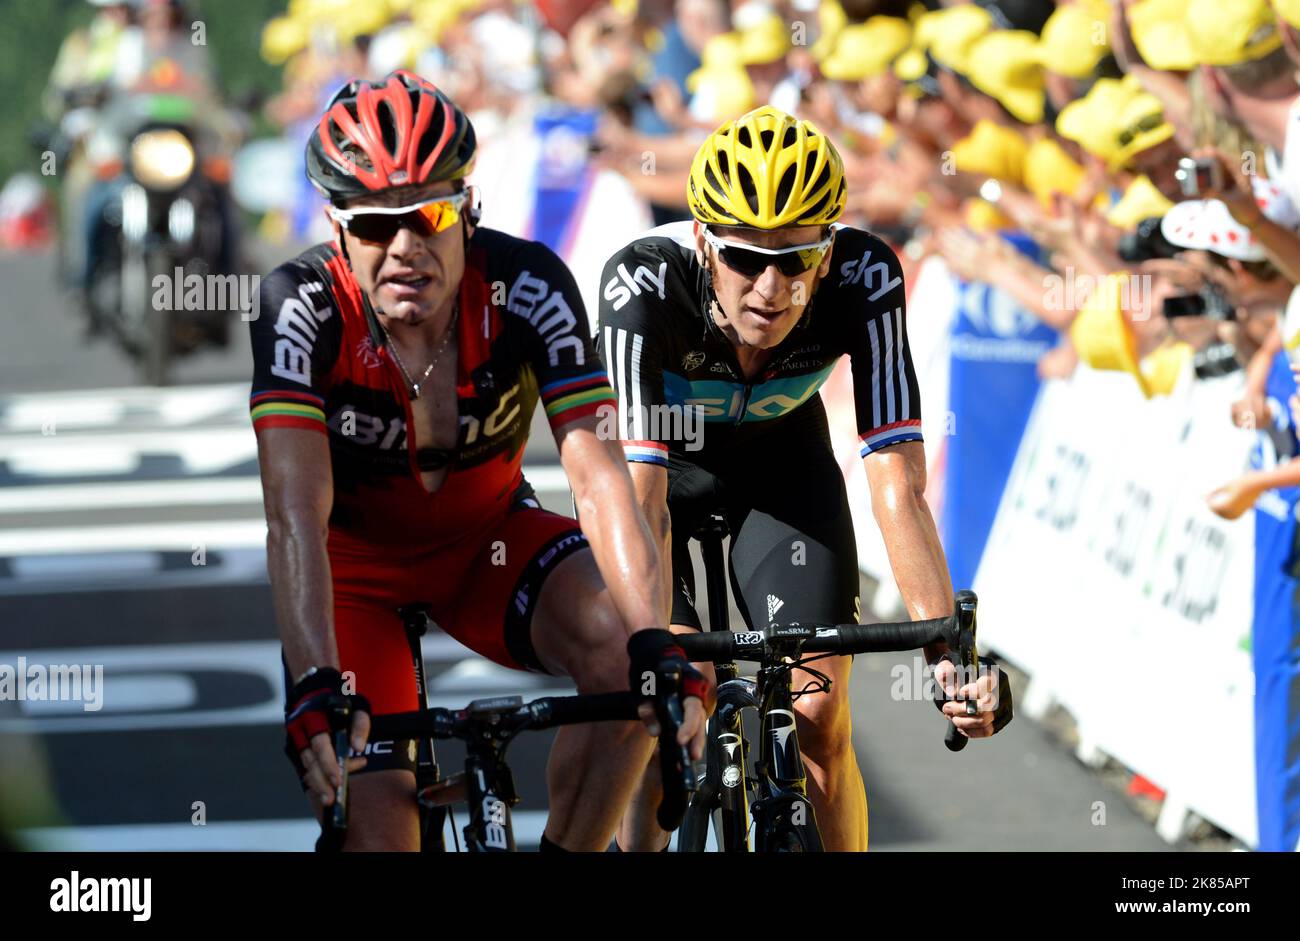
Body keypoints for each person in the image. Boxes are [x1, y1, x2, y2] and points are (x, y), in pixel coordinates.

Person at [249, 70, 707, 852]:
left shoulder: (529, 284)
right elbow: (295, 516)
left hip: (487, 545)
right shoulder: (301, 305)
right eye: (372, 226)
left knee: (630, 661)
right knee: (380, 834)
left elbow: (598, 479)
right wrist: (317, 681)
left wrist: (652, 637)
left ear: (468, 209)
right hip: (356, 579)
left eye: (428, 215)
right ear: (335, 228)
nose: (404, 249)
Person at [597, 106, 1013, 852]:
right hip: (661, 476)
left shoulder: (865, 273)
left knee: (820, 718)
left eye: (794, 259)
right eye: (742, 257)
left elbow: (896, 482)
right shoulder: (643, 284)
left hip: (783, 468)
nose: (768, 286)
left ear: (827, 252)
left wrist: (948, 659)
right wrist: (654, 646)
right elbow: (639, 500)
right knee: (667, 716)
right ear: (701, 239)